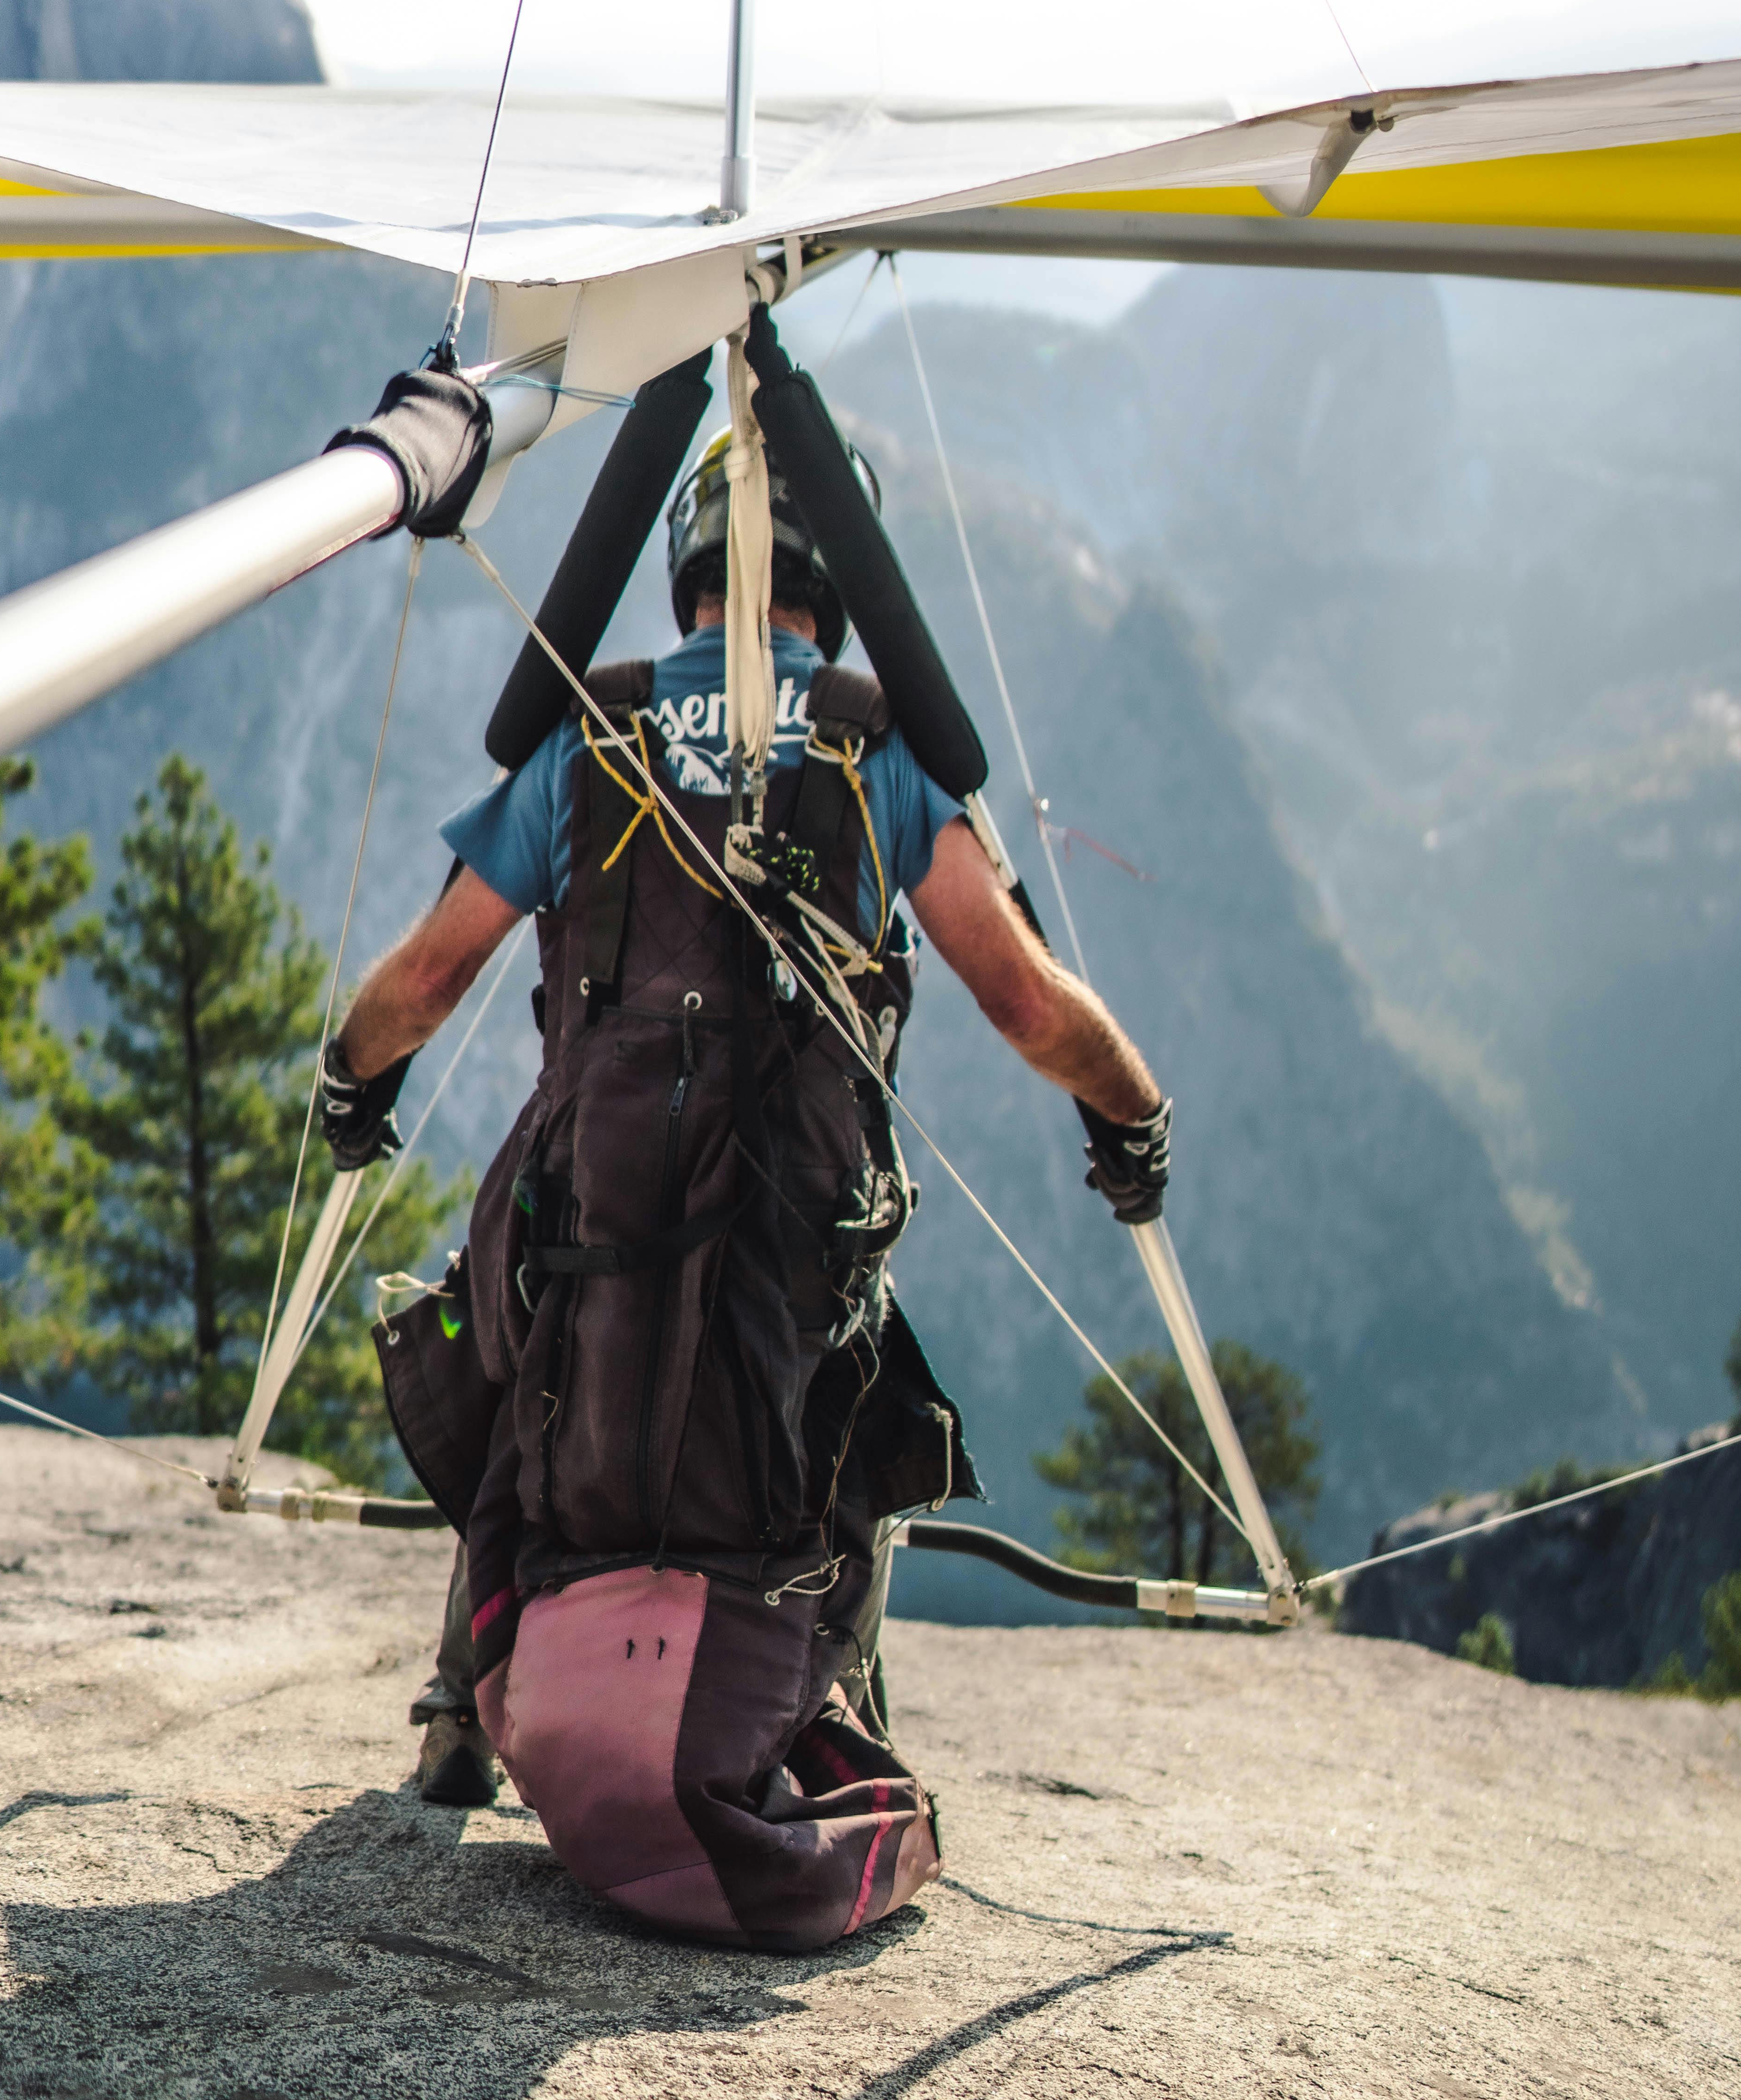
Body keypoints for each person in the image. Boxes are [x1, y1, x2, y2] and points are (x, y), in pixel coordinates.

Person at [323, 412, 1170, 1951]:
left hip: (580, 1236)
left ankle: (462, 1701)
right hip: (789, 1257)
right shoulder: (873, 752)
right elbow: (1028, 1002)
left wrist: (349, 1074)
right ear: (829, 588)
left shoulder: (589, 740)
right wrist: (1134, 1109)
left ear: (686, 570)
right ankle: (815, 1690)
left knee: (513, 1310)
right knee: (862, 1363)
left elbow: (427, 974)